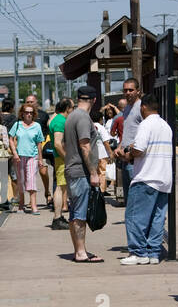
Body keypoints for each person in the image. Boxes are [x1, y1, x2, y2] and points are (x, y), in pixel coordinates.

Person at [121, 97, 175, 265]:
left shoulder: (146, 124)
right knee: (157, 218)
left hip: (146, 177)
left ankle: (138, 252)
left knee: (134, 216)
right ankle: (153, 252)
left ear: (143, 107)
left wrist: (127, 154)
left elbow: (138, 149)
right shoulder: (165, 126)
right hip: (164, 179)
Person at [63, 86, 105, 262]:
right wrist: (93, 173)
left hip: (73, 169)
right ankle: (81, 252)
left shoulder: (71, 116)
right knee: (80, 212)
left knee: (75, 212)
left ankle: (79, 250)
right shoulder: (82, 118)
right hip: (80, 172)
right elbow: (85, 145)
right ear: (94, 100)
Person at [9, 104, 46, 214]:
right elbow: (10, 139)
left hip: (32, 157)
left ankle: (34, 206)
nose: (28, 114)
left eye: (31, 112)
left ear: (33, 114)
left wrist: (40, 159)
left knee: (31, 180)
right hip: (19, 157)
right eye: (26, 112)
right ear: (22, 113)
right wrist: (14, 153)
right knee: (21, 181)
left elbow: (39, 144)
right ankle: (21, 204)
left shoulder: (37, 126)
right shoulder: (17, 125)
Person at [114, 80, 142, 206]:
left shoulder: (142, 108)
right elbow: (127, 133)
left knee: (137, 195)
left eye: (131, 90)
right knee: (129, 197)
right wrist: (119, 147)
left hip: (135, 159)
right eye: (125, 90)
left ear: (138, 91)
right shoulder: (127, 109)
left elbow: (145, 133)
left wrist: (131, 149)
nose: (128, 93)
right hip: (125, 158)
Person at [48, 98, 72, 230]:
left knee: (62, 187)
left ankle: (59, 216)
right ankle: (57, 217)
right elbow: (57, 143)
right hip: (62, 158)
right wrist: (67, 157)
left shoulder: (56, 119)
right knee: (60, 188)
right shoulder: (60, 122)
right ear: (67, 108)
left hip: (61, 158)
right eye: (72, 107)